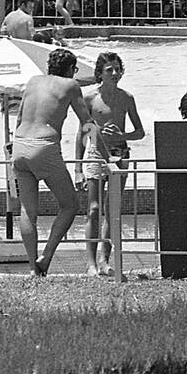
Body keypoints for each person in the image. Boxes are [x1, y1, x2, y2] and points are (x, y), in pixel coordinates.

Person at [12, 47, 99, 276]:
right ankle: (47, 255)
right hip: (44, 147)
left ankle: (33, 268)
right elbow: (87, 122)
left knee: (28, 211)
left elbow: (20, 117)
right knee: (70, 205)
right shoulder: (70, 85)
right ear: (71, 69)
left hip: (19, 145)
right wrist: (103, 151)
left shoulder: (32, 81)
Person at [76, 52, 144, 276]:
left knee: (111, 208)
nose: (115, 74)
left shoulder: (127, 98)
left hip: (119, 154)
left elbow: (140, 132)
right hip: (96, 152)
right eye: (109, 70)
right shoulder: (89, 98)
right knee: (93, 208)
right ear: (100, 74)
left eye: (117, 69)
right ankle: (91, 262)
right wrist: (77, 168)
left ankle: (105, 259)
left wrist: (121, 134)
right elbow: (82, 133)